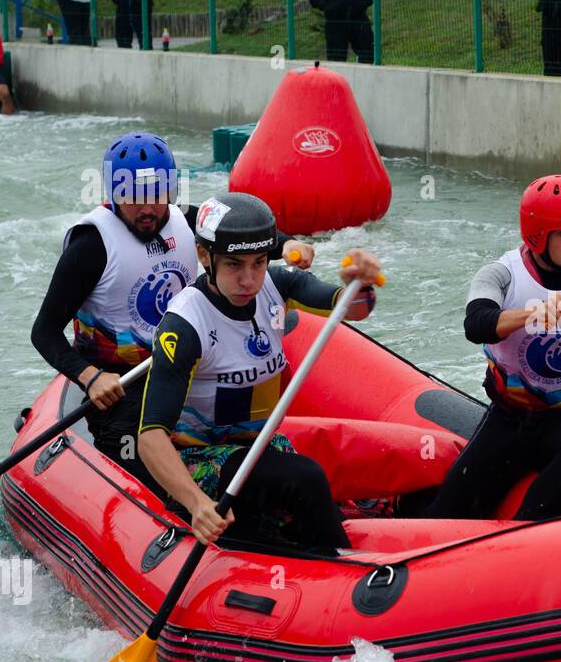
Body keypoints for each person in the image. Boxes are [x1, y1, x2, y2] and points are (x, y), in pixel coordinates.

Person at [30, 133, 314, 492]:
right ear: (114, 193)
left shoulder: (187, 220)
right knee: (149, 477)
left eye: (158, 196)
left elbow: (243, 236)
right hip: (123, 383)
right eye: (134, 197)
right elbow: (44, 331)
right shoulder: (91, 246)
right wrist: (89, 377)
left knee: (240, 449)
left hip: (185, 367)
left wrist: (288, 243)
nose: (148, 209)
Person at [137, 193, 381, 552]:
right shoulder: (183, 325)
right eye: (234, 265)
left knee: (313, 500)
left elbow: (354, 309)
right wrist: (196, 503)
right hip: (201, 458)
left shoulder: (278, 286)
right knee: (306, 478)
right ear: (205, 256)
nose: (249, 280)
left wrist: (361, 283)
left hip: (257, 448)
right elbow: (150, 437)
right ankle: (352, 575)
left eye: (258, 262)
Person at [427, 175, 561, 520]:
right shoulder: (501, 275)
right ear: (537, 235)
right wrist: (531, 315)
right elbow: (477, 324)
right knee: (447, 513)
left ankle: (526, 531)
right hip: (509, 420)